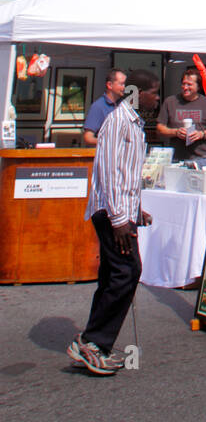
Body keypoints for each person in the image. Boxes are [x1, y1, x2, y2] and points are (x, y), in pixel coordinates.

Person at [67, 94, 151, 375]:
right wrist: (118, 219)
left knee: (114, 274)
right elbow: (109, 171)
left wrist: (137, 211)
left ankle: (91, 340)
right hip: (112, 214)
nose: (156, 98)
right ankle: (94, 341)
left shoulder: (134, 123)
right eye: (153, 92)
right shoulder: (118, 121)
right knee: (127, 272)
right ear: (140, 93)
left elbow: (128, 173)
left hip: (122, 212)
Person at [156, 67, 206, 161]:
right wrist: (176, 132)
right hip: (175, 158)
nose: (185, 87)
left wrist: (201, 134)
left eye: (189, 84)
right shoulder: (170, 102)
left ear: (198, 86)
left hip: (201, 158)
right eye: (183, 84)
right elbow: (159, 128)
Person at [82, 69, 127, 148]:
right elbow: (88, 138)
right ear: (109, 85)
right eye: (121, 84)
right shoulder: (98, 107)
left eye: (124, 84)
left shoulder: (124, 105)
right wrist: (110, 143)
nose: (124, 87)